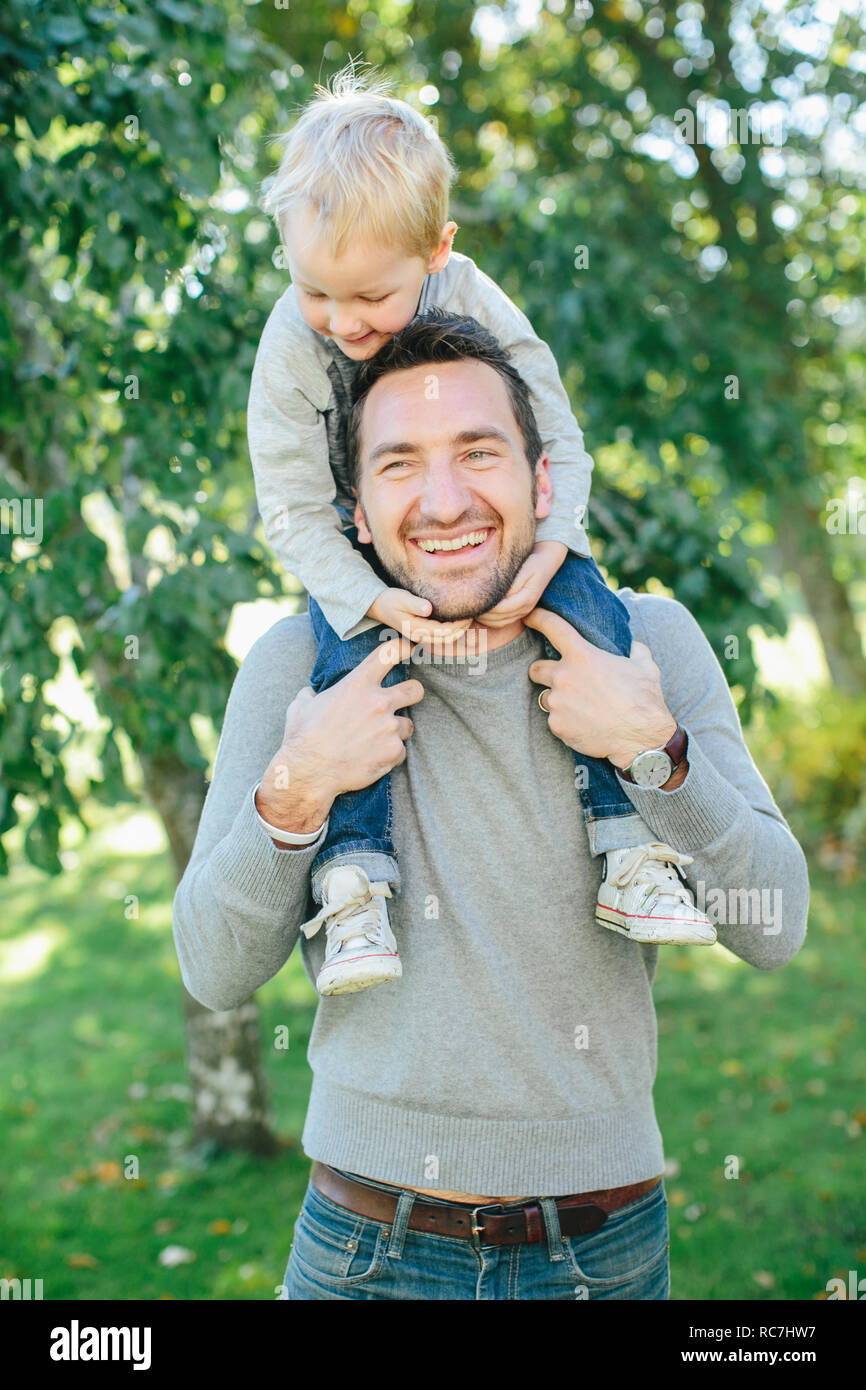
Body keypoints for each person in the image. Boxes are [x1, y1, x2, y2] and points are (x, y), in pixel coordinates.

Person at [173, 311, 809, 1301]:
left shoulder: (646, 641)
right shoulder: (297, 668)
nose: (442, 499)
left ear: (540, 479)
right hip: (362, 1249)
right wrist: (300, 783)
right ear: (352, 507)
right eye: (398, 464)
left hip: (603, 1253)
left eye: (477, 451)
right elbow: (213, 969)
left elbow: (775, 927)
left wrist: (656, 754)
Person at [247, 64, 715, 999]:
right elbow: (293, 510)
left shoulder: (474, 295)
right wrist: (370, 597)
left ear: (435, 252)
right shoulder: (292, 347)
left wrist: (551, 544)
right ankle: (353, 887)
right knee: (353, 670)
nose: (341, 324)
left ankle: (630, 852)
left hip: (521, 548)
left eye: (370, 299)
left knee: (586, 615)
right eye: (315, 293)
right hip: (357, 560)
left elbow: (559, 433)